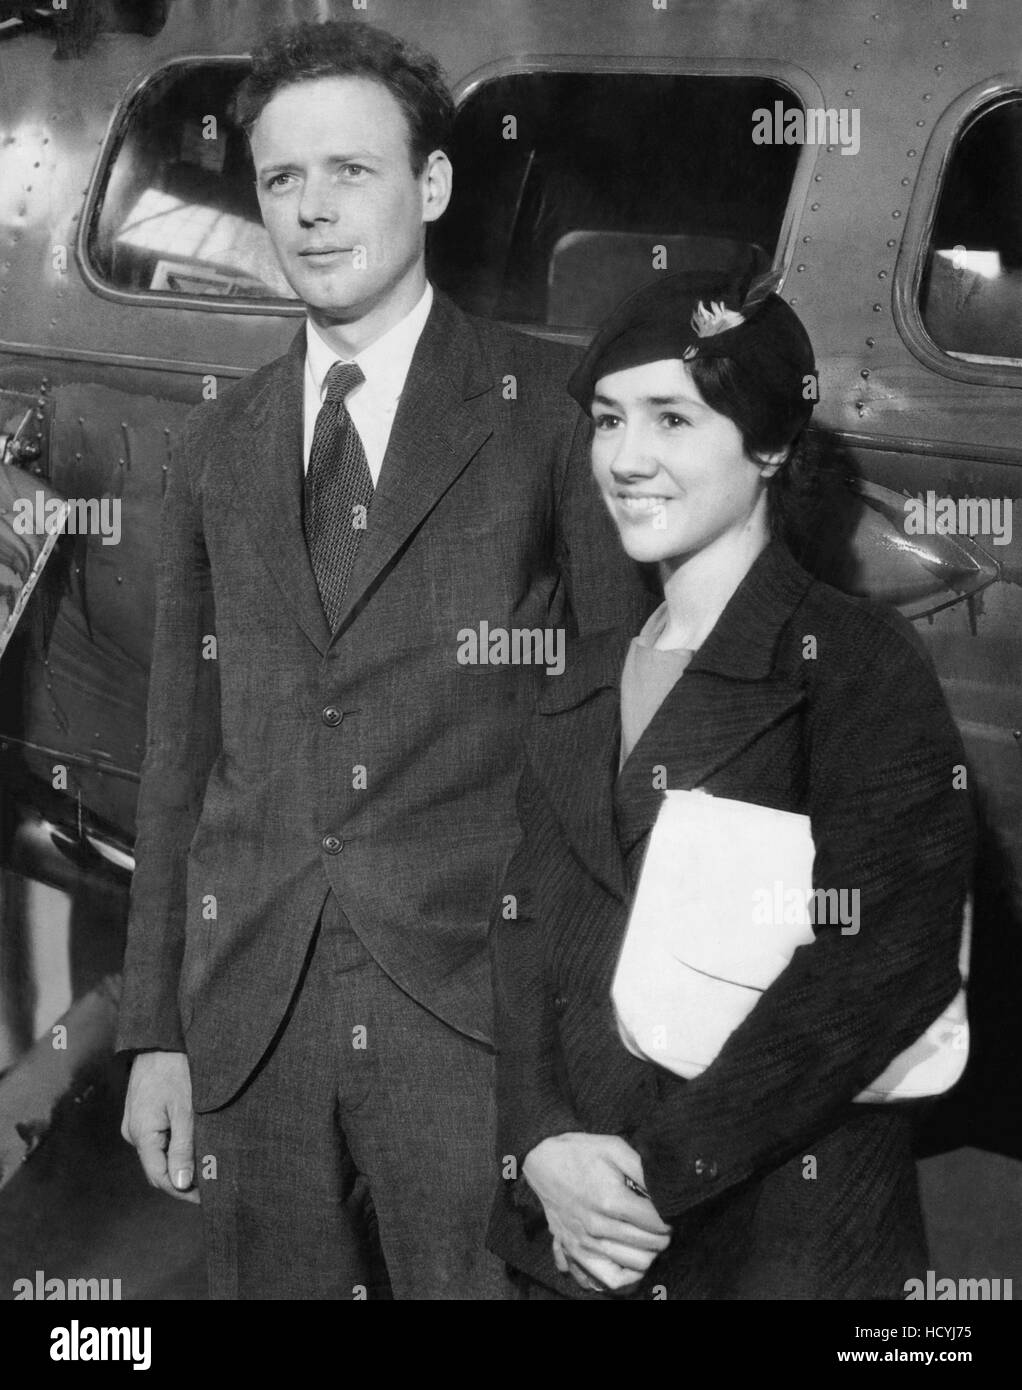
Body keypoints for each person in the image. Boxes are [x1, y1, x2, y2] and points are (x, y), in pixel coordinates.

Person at [116, 17, 649, 1300]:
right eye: (281, 178)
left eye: (348, 170)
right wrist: (154, 1032)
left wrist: (591, 1062)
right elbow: (179, 756)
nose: (308, 211)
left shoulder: (556, 417)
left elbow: (627, 756)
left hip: (475, 1020)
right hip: (252, 1014)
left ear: (431, 186)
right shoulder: (219, 442)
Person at [487, 271, 976, 1299]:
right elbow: (523, 930)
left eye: (671, 418)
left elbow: (883, 967)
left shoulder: (854, 663)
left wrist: (646, 1184)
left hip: (766, 1236)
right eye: (607, 420)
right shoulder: (583, 675)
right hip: (572, 1232)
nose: (624, 459)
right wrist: (537, 1143)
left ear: (765, 445)